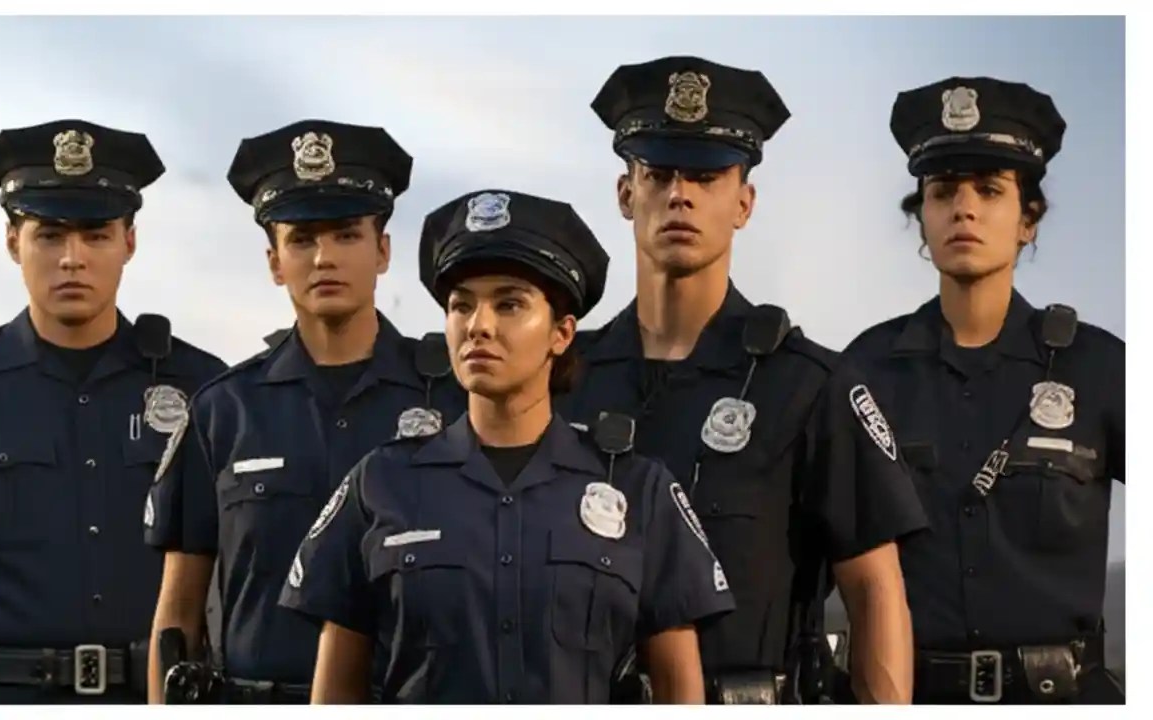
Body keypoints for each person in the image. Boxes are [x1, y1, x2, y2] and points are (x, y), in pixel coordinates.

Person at [563, 56, 930, 704]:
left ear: (743, 202)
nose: (681, 194)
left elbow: (874, 592)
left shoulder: (807, 385)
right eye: (659, 174)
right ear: (626, 193)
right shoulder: (561, 382)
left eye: (706, 176)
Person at [278, 189, 735, 704]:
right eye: (461, 305)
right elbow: (335, 694)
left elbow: (680, 693)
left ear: (562, 333)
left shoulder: (637, 490)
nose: (479, 325)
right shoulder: (381, 484)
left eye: (510, 303)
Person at [0, 120, 227, 704]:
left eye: (96, 235)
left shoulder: (206, 392)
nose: (72, 258)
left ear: (130, 241)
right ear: (11, 241)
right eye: (49, 235)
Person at [144, 120, 464, 704]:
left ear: (383, 250)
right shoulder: (223, 412)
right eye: (301, 239)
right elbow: (177, 617)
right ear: (274, 261)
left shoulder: (452, 403)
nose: (324, 258)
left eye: (346, 235)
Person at [841, 76, 1125, 704]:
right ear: (923, 220)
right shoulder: (865, 372)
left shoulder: (1100, 367)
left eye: (990, 192)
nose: (963, 209)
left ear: (1028, 221)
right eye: (942, 192)